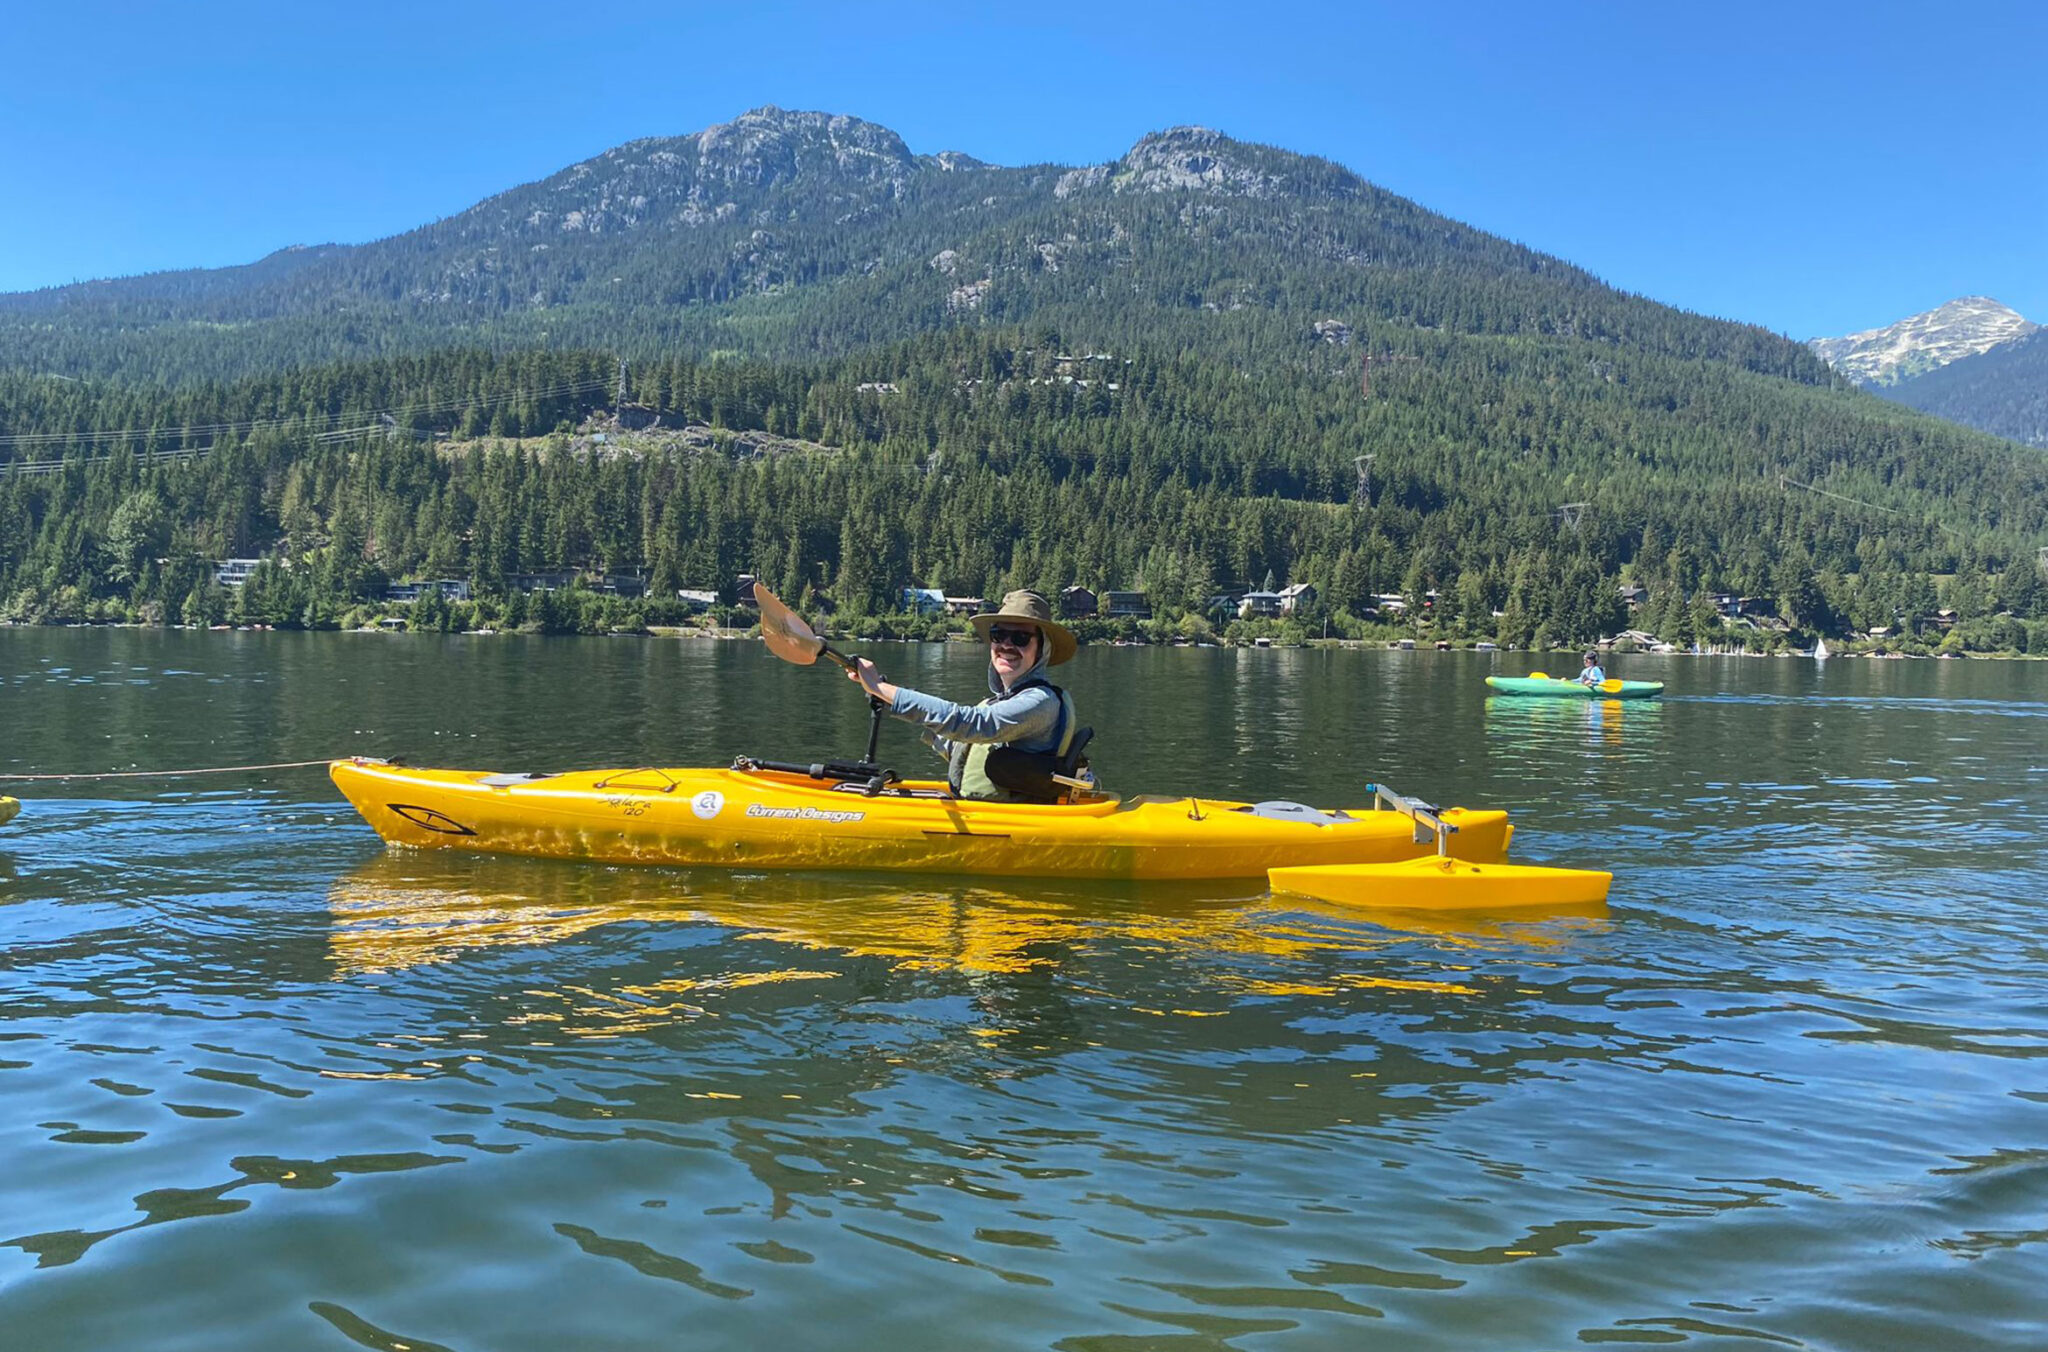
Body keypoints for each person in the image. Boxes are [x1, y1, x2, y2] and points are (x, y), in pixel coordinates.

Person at [847, 590, 1084, 803]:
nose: (1006, 645)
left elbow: (970, 723)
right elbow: (961, 745)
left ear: (1043, 648)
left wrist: (879, 687)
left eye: (1020, 638)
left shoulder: (1039, 701)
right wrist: (888, 696)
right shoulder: (1003, 701)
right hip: (982, 811)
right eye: (998, 635)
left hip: (1009, 822)